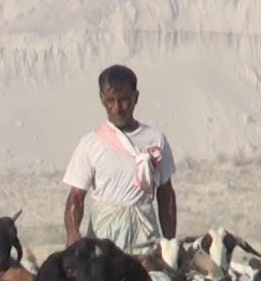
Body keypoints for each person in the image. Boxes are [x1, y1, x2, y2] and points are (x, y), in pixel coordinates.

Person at [62, 64, 178, 249]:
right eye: (110, 101)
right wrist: (73, 234)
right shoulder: (91, 143)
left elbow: (166, 195)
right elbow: (76, 197)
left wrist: (170, 243)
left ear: (136, 97)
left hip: (145, 236)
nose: (117, 108)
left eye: (124, 100)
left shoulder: (155, 139)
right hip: (104, 241)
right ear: (102, 99)